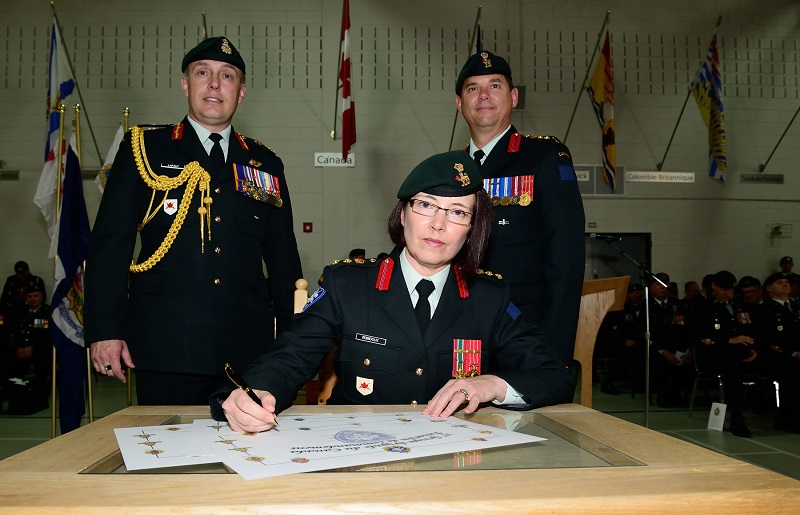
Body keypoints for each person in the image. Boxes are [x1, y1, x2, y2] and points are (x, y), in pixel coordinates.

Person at [211, 151, 575, 432]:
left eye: (457, 213)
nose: (438, 224)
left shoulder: (489, 297)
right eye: (426, 205)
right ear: (403, 214)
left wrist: (490, 384)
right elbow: (289, 356)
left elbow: (554, 375)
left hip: (451, 461)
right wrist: (258, 392)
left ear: (472, 229)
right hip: (355, 452)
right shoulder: (348, 285)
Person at [85, 36, 303, 405]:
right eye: (203, 73)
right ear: (186, 84)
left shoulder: (264, 163)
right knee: (167, 456)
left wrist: (297, 344)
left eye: (227, 75)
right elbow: (110, 244)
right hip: (166, 345)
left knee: (250, 457)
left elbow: (284, 263)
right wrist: (105, 330)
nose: (215, 84)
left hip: (247, 351)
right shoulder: (145, 148)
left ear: (242, 91)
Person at [454, 49, 585, 366]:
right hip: (460, 332)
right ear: (460, 103)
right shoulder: (450, 169)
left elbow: (565, 261)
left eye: (495, 86)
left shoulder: (544, 157)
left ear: (513, 97)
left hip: (524, 336)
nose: (483, 95)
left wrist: (553, 353)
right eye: (473, 88)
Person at [687, 271, 758, 437]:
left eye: (730, 290)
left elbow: (750, 330)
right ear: (713, 287)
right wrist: (729, 340)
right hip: (713, 354)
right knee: (733, 368)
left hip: (739, 353)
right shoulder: (702, 307)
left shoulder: (738, 306)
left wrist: (754, 348)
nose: (727, 293)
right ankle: (737, 416)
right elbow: (698, 337)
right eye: (723, 290)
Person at [752, 273, 800, 433]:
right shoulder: (764, 310)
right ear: (769, 288)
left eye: (787, 282)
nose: (785, 284)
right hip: (773, 355)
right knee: (792, 367)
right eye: (780, 282)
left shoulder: (796, 307)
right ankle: (787, 417)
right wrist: (792, 352)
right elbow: (769, 338)